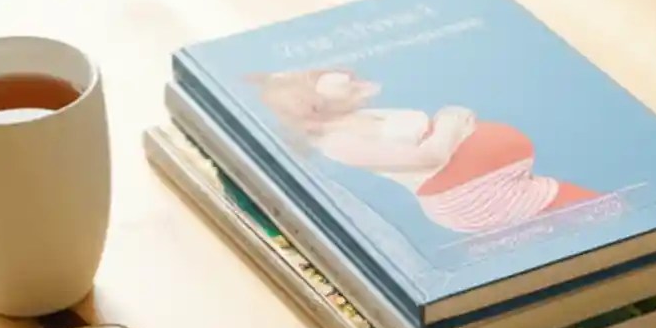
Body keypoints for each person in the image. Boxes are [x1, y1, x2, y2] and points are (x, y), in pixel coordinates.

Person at [246, 68, 599, 234]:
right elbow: (427, 158)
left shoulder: (360, 116)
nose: (355, 81)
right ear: (311, 105)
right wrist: (449, 119)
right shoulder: (338, 143)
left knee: (591, 219)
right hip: (469, 198)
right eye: (347, 83)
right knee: (592, 217)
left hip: (495, 183)